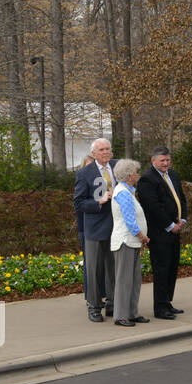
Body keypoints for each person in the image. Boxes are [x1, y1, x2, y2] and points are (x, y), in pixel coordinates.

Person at [136, 146, 189, 320]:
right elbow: (153, 207)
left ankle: (167, 302)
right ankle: (160, 308)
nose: (166, 163)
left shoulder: (173, 175)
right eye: (162, 160)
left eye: (167, 160)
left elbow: (180, 197)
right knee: (162, 269)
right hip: (160, 233)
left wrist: (183, 219)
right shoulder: (147, 179)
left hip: (175, 229)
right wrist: (169, 224)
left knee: (173, 267)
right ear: (153, 161)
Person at [73, 138, 117, 322]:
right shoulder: (85, 173)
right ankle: (94, 307)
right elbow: (78, 202)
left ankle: (114, 304)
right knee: (94, 269)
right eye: (102, 149)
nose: (106, 152)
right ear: (94, 153)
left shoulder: (117, 166)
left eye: (108, 149)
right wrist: (98, 202)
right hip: (95, 228)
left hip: (116, 226)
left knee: (113, 268)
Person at [108, 158, 150, 326]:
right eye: (135, 172)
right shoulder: (123, 193)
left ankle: (132, 312)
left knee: (134, 279)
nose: (137, 175)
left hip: (132, 242)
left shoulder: (127, 191)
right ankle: (120, 315)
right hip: (125, 241)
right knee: (124, 280)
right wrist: (143, 236)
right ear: (129, 175)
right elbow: (130, 221)